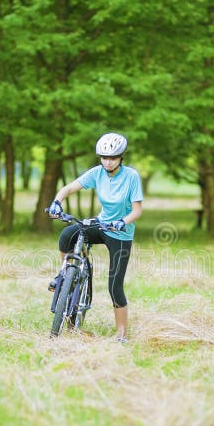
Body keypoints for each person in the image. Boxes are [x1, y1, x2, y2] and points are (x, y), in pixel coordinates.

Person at [47, 132, 143, 342]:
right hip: (101, 224)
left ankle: (121, 335)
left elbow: (137, 211)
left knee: (114, 286)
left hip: (120, 232)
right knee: (67, 235)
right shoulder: (97, 173)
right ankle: (65, 273)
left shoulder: (131, 177)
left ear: (121, 158)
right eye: (104, 158)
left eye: (113, 158)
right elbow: (70, 187)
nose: (108, 162)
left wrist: (122, 221)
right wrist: (57, 201)